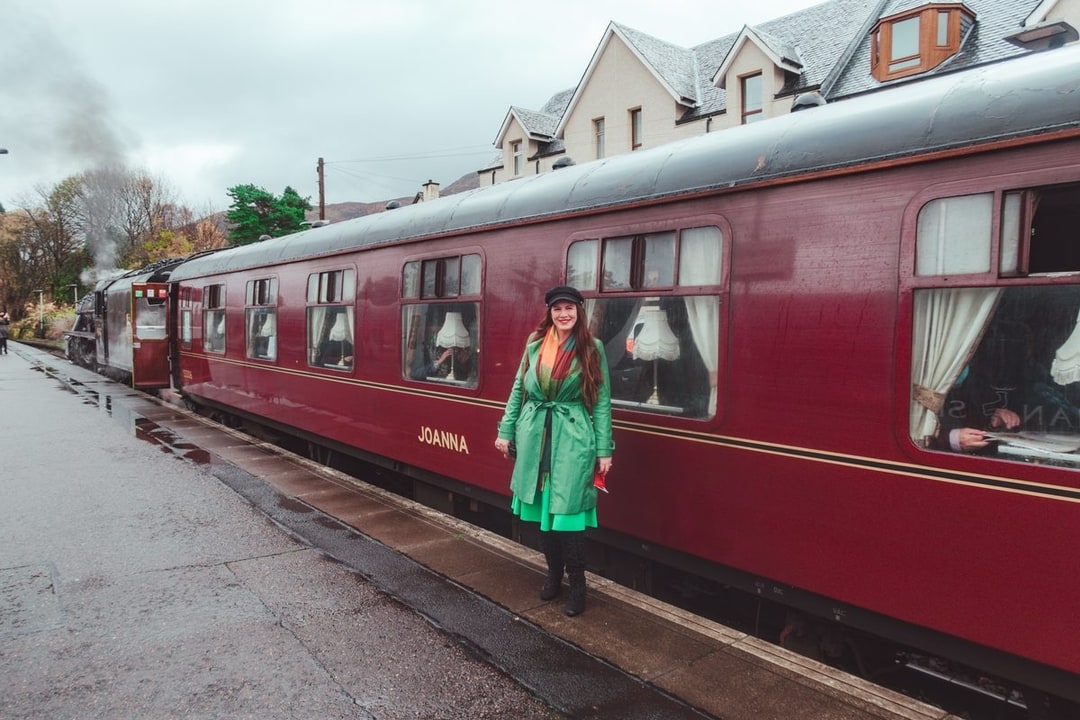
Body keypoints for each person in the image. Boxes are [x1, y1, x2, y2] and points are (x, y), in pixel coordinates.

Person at [495, 285, 613, 616]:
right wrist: (506, 430)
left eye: (569, 308)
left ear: (579, 312)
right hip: (535, 438)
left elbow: (601, 402)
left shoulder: (593, 348)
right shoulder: (534, 347)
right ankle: (553, 576)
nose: (563, 314)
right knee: (542, 514)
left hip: (573, 437)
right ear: (550, 313)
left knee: (569, 515)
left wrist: (604, 449)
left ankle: (578, 586)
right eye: (557, 308)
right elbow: (519, 390)